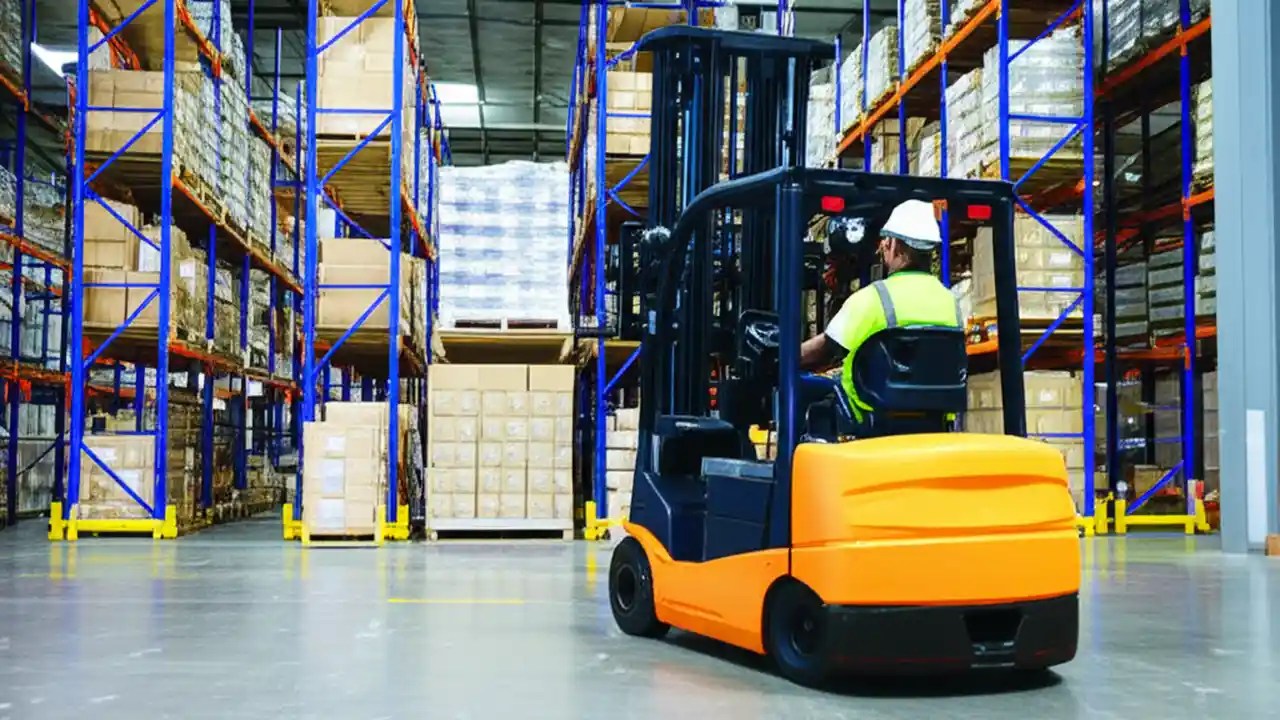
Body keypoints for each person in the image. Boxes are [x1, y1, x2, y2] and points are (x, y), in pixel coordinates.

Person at [799, 199, 962, 423]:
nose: (883, 245)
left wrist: (786, 356)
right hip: (934, 419)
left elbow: (827, 348)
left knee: (800, 389)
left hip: (870, 417)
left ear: (895, 245)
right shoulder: (951, 302)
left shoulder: (874, 298)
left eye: (886, 239)